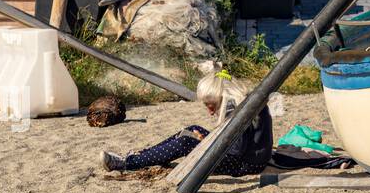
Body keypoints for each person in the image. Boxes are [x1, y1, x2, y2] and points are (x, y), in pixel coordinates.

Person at [101, 62, 272, 176]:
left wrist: (206, 141)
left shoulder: (234, 108)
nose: (210, 111)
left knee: (185, 143)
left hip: (247, 165)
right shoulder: (240, 101)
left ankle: (126, 163)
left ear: (221, 96)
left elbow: (235, 150)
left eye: (210, 104)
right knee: (191, 129)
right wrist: (206, 139)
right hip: (251, 159)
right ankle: (140, 156)